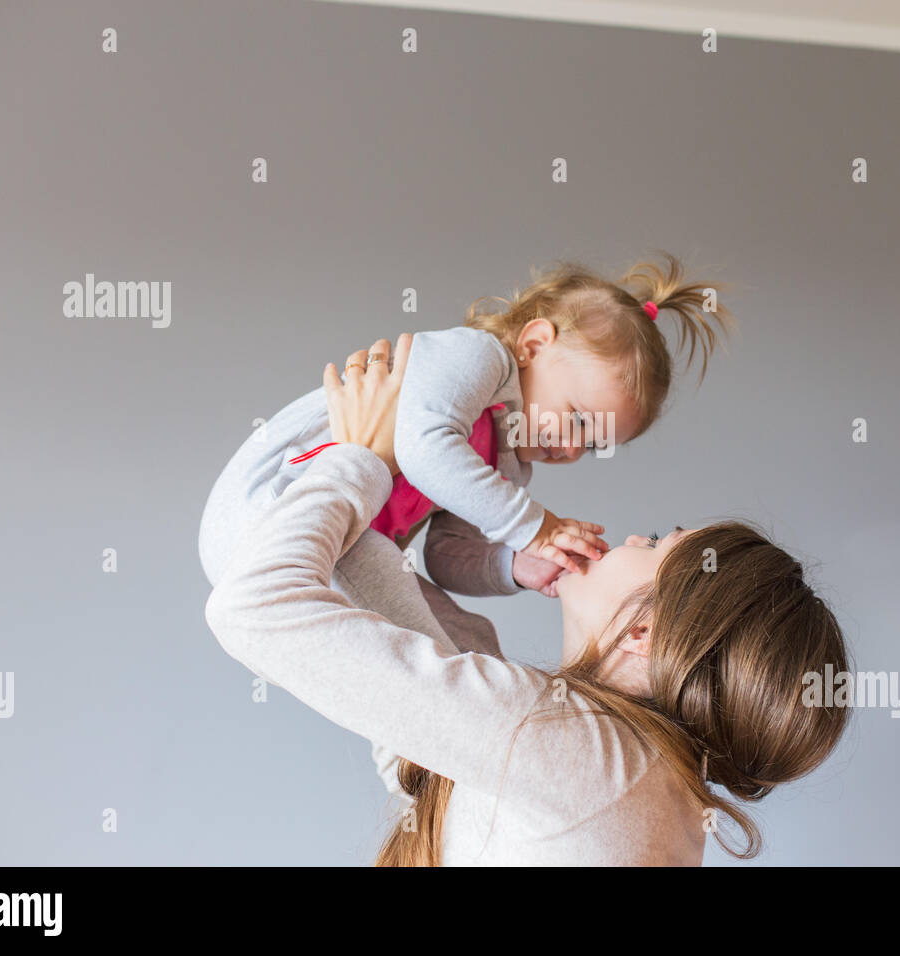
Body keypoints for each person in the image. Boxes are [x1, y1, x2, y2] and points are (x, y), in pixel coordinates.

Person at [203, 335, 851, 866]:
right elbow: (415, 748)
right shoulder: (636, 781)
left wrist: (354, 458)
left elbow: (252, 607)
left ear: (645, 635)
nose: (631, 536)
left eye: (654, 544)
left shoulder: (581, 753)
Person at [198, 252, 733, 600]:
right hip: (269, 508)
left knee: (454, 636)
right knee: (416, 623)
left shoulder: (506, 468)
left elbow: (444, 557)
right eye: (575, 419)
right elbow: (420, 448)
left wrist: (514, 562)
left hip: (337, 552)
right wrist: (536, 526)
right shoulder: (477, 359)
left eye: (592, 445)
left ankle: (441, 762)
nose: (571, 447)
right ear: (532, 344)